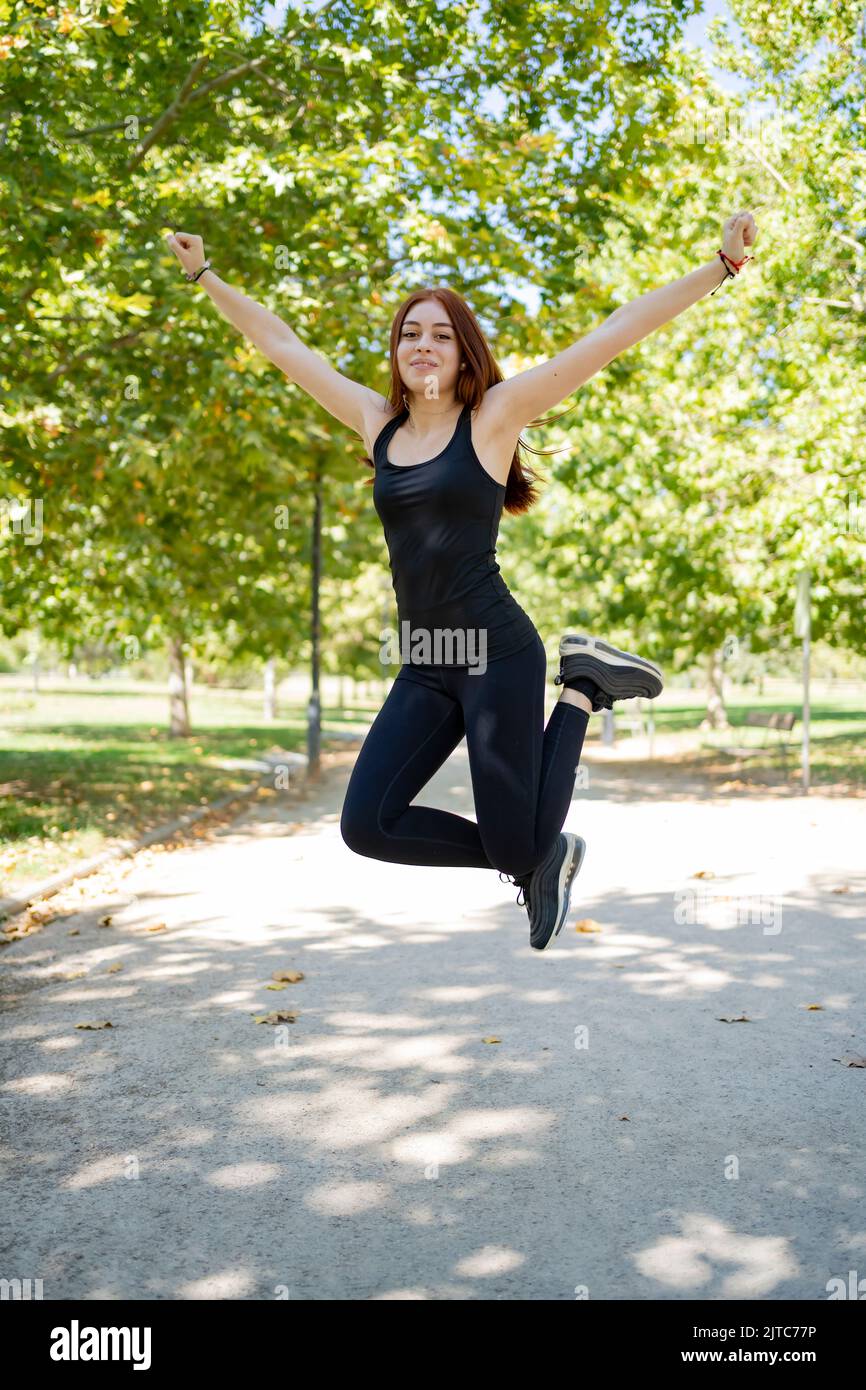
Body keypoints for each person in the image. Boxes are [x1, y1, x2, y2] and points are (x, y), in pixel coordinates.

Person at [166, 212, 757, 950]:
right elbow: (282, 346)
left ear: (463, 352)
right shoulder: (375, 423)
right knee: (367, 824)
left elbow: (611, 334)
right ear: (397, 350)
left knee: (516, 847)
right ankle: (548, 854)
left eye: (441, 334)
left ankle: (582, 688)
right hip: (426, 661)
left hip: (495, 654)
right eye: (412, 332)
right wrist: (204, 275)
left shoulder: (494, 418)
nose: (424, 344)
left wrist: (720, 268)